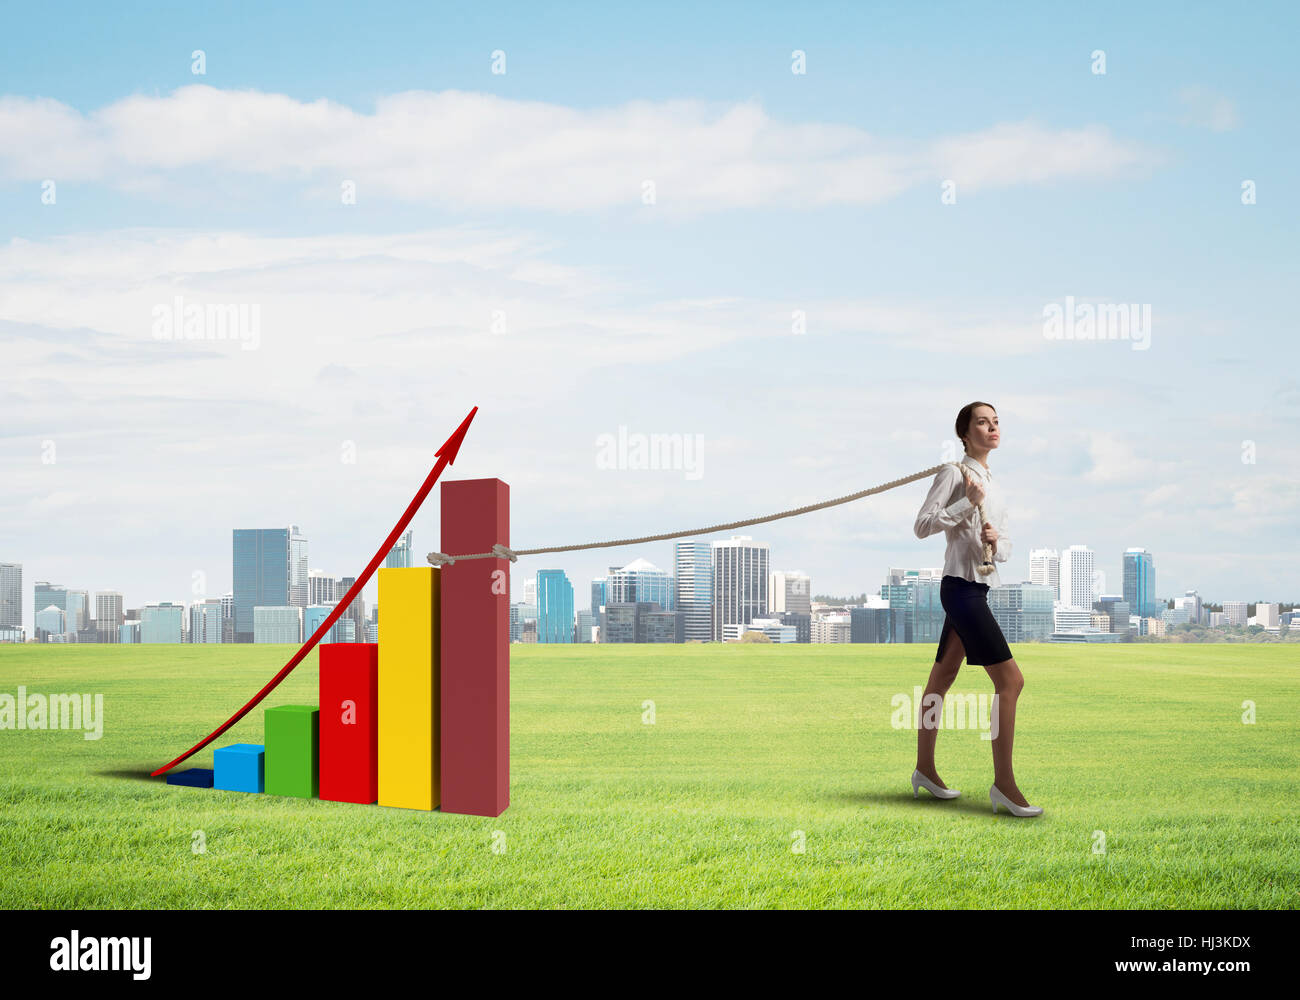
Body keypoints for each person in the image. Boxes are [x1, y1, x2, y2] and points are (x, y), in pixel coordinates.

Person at [909, 401, 1043, 817]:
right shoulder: (954, 472)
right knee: (1012, 681)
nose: (992, 428)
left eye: (996, 421)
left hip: (977, 588)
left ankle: (924, 770)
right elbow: (922, 526)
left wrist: (995, 538)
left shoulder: (995, 484)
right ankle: (1004, 785)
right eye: (982, 423)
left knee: (942, 677)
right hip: (959, 590)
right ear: (965, 434)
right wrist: (966, 504)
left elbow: (1003, 551)